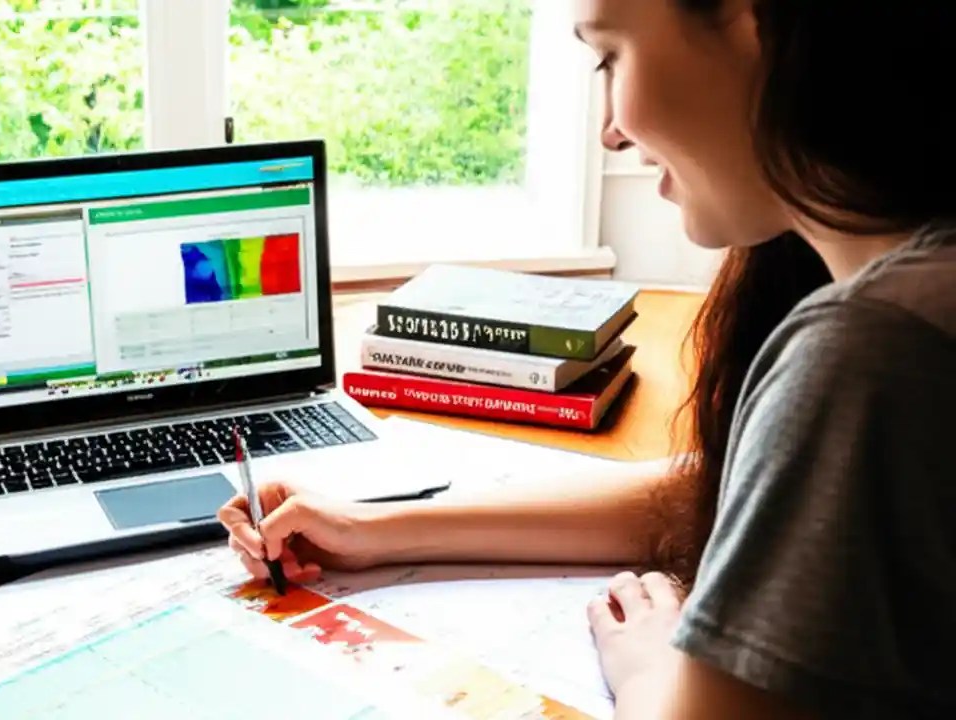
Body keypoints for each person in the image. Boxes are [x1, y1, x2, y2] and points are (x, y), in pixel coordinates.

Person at [219, 0, 955, 717]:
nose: (610, 130)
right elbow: (722, 490)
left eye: (611, 55)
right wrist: (372, 529)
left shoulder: (875, 349)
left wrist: (652, 671)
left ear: (749, 19)